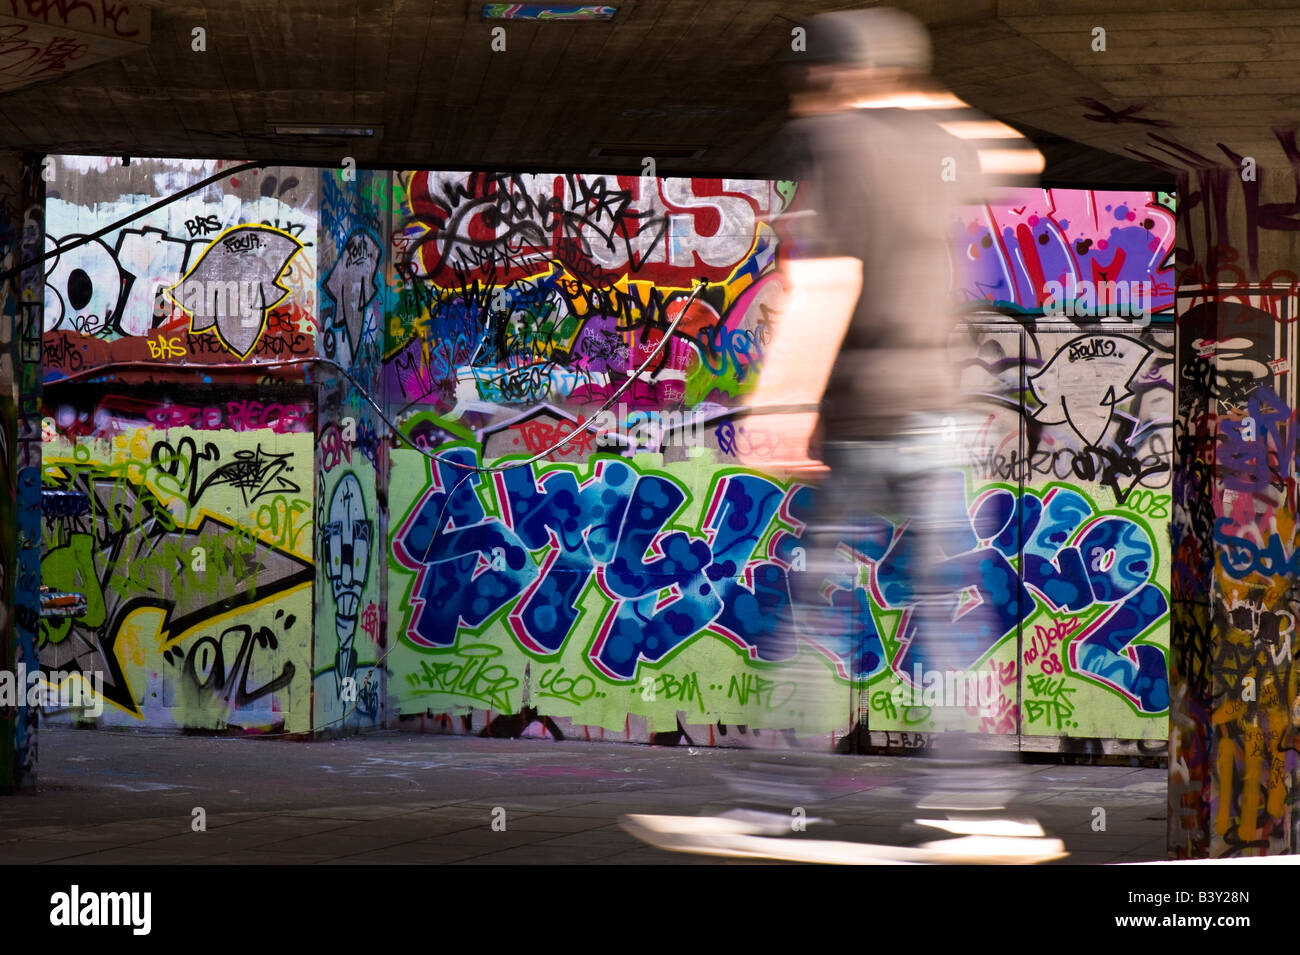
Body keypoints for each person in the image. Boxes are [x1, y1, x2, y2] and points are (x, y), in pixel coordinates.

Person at [623, 7, 1062, 863]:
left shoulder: (829, 141)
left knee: (816, 610)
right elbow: (1024, 154)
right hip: (936, 411)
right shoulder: (937, 141)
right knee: (946, 616)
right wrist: (926, 96)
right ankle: (974, 809)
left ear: (828, 76)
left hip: (864, 417)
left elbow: (825, 278)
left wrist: (781, 402)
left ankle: (772, 804)